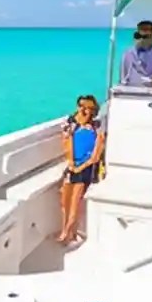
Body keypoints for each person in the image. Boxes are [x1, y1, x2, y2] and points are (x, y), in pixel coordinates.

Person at [57, 94, 104, 246]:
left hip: (86, 168)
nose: (84, 110)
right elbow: (67, 144)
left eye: (88, 108)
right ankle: (68, 230)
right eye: (81, 106)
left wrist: (81, 167)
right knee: (64, 200)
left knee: (74, 201)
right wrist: (71, 164)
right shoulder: (72, 124)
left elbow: (96, 154)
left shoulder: (96, 127)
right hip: (72, 166)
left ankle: (66, 233)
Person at [119, 20, 152, 87]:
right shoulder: (127, 55)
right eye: (138, 36)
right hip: (131, 91)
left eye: (145, 36)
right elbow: (123, 80)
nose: (141, 39)